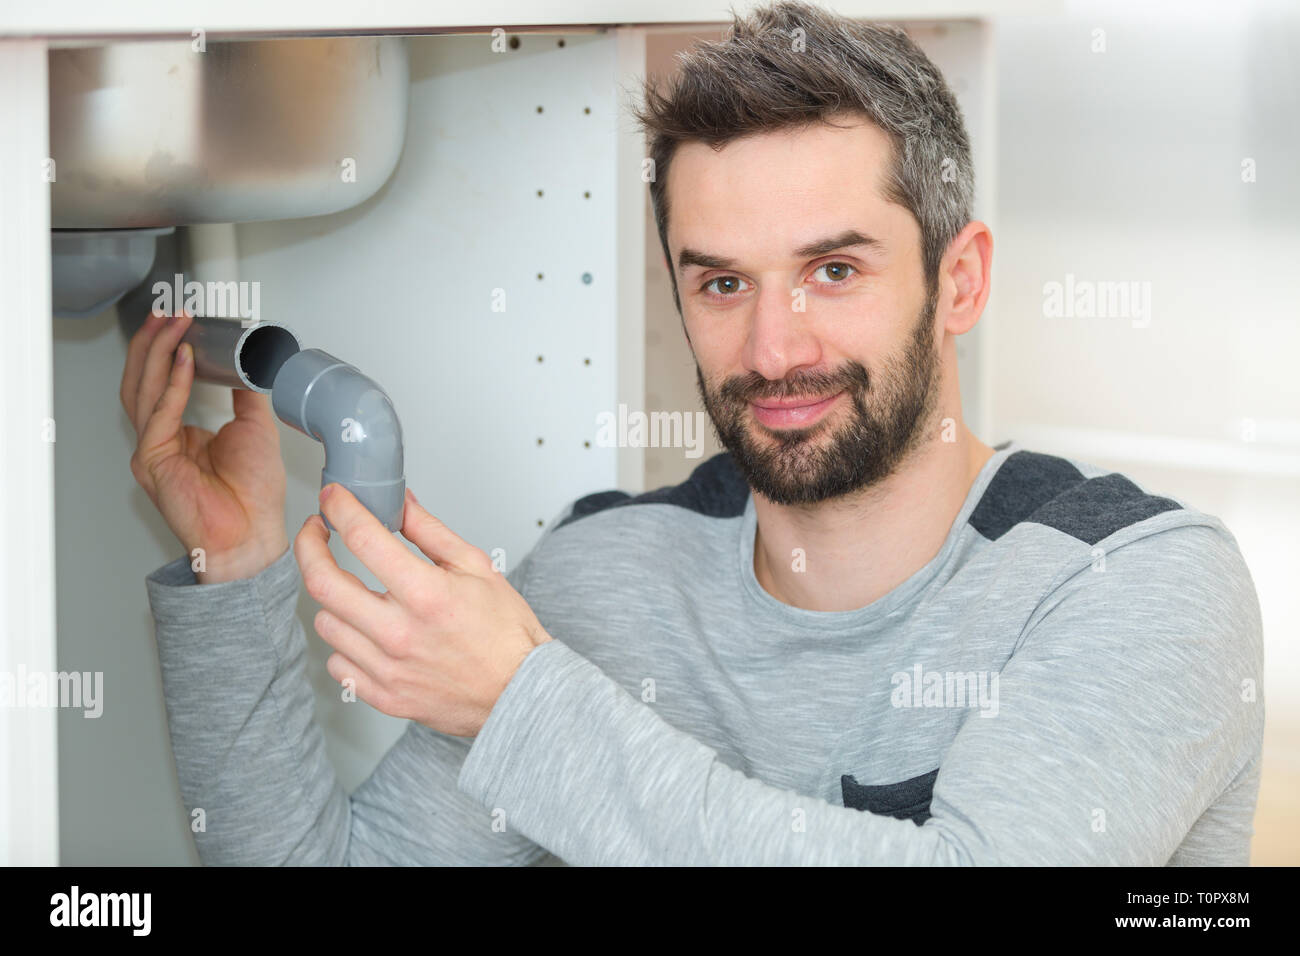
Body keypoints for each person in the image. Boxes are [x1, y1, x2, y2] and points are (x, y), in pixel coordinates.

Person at [124, 1, 1263, 865]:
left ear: (958, 280)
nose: (775, 347)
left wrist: (522, 703)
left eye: (833, 268)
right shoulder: (606, 578)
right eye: (721, 283)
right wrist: (238, 565)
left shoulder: (1136, 585)